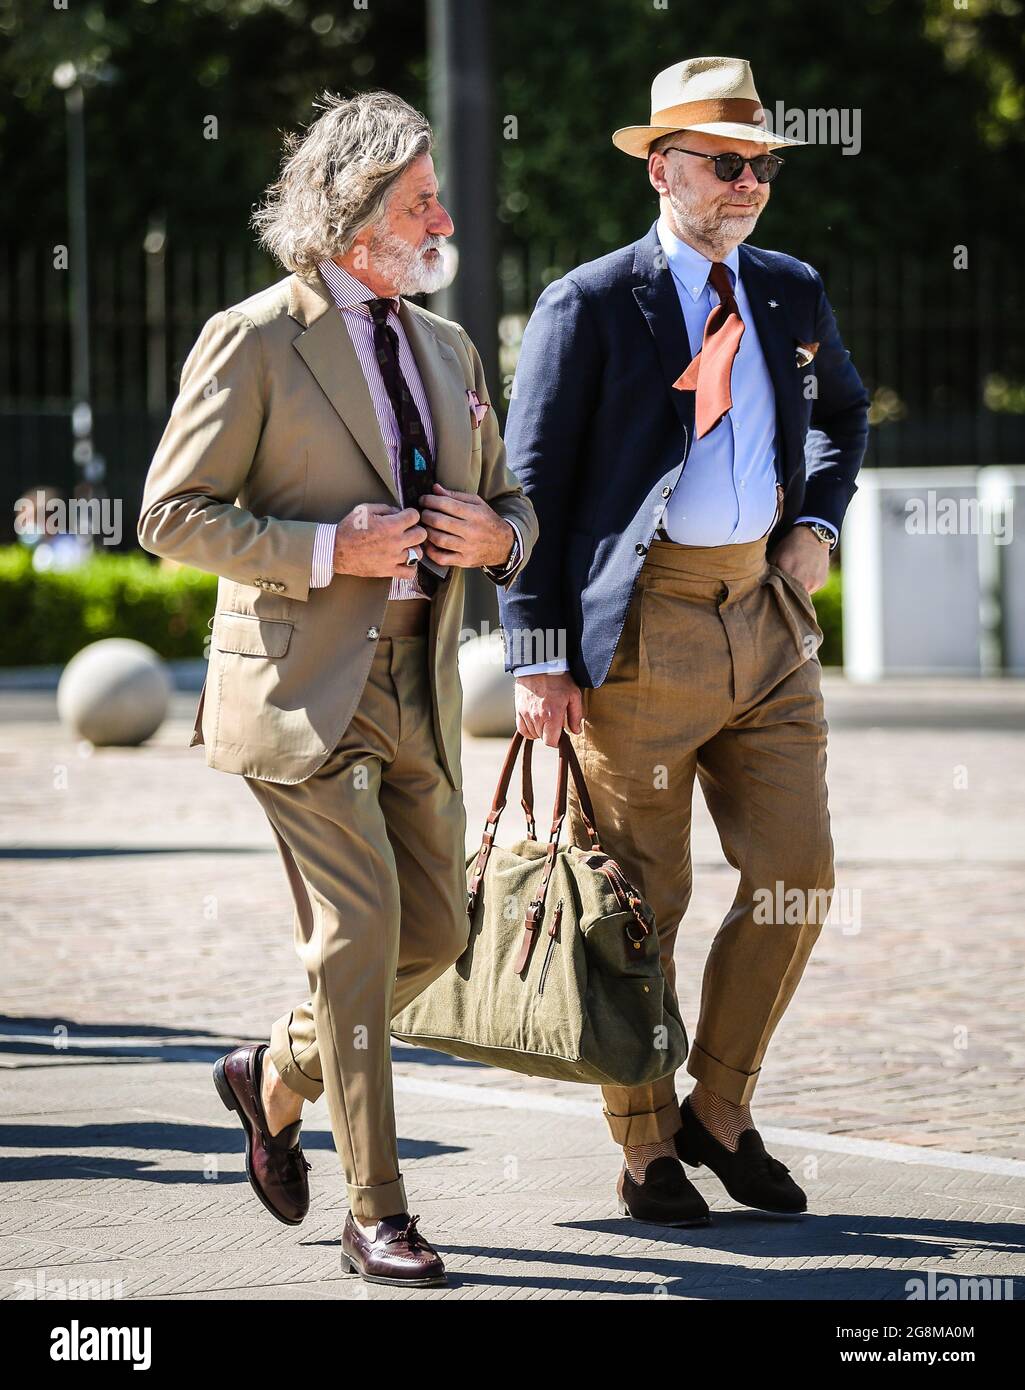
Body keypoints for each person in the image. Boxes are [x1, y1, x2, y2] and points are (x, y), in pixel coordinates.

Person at [138, 90, 537, 1286]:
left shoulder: (452, 347)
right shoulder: (255, 335)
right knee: (358, 934)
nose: (443, 216)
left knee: (440, 932)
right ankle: (377, 1212)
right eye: (420, 199)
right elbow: (170, 514)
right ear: (354, 210)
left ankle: (268, 1078)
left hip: (417, 685)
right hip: (303, 689)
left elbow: (511, 503)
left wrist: (496, 540)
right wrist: (327, 552)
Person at [499, 56, 869, 1225]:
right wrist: (536, 653)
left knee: (796, 878)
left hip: (762, 618)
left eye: (758, 162)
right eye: (724, 162)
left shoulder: (790, 288)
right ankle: (645, 1144)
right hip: (638, 629)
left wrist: (813, 520)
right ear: (662, 169)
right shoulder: (590, 302)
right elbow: (530, 489)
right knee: (642, 903)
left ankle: (720, 1106)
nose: (748, 181)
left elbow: (844, 410)